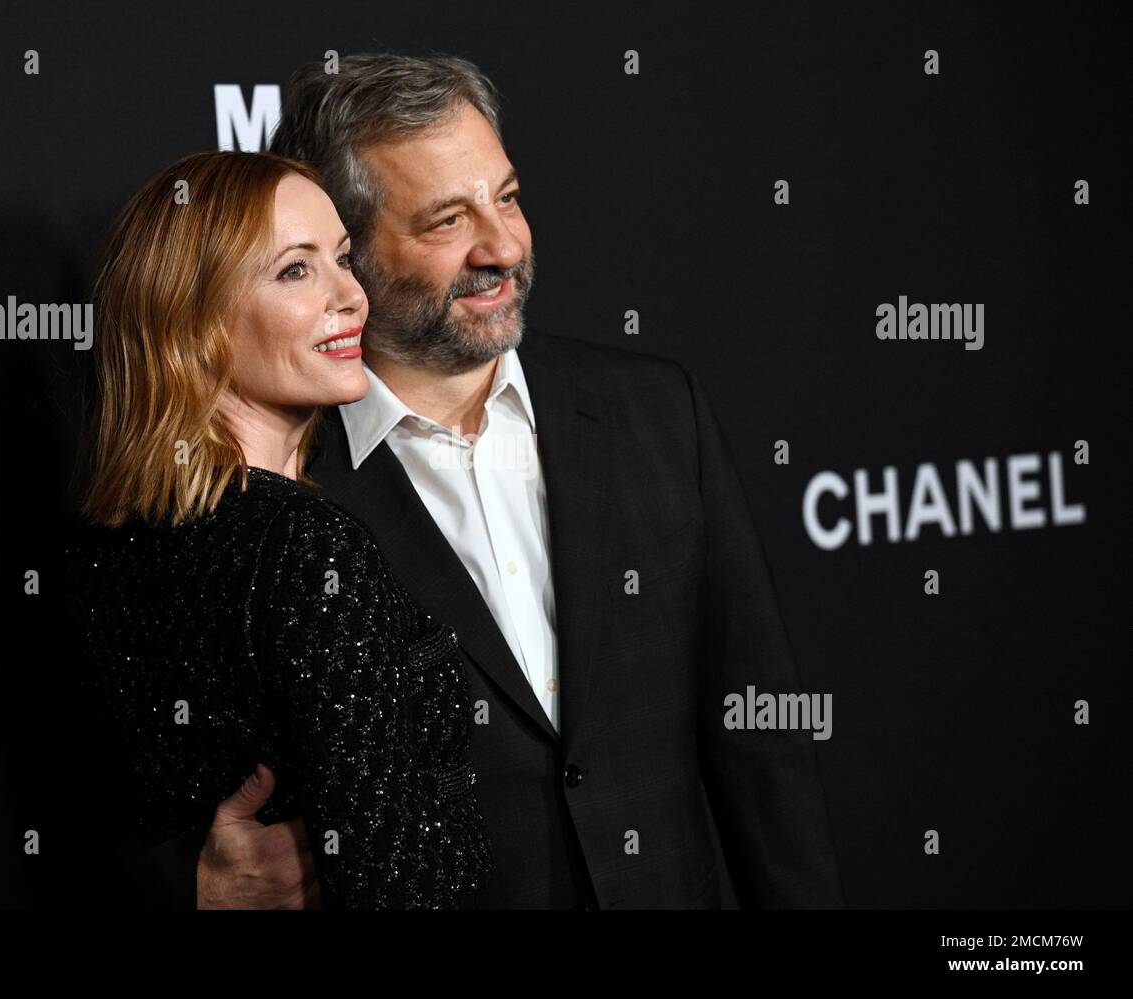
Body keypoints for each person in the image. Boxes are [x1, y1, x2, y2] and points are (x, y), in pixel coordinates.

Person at [147, 52, 846, 910]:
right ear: (350, 252)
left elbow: (758, 738)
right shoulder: (277, 497)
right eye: (447, 220)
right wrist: (192, 881)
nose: (504, 245)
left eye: (506, 196)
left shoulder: (654, 412)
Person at [62, 148, 493, 908]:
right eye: (295, 270)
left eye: (343, 259)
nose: (352, 296)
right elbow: (394, 885)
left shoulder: (106, 545)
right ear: (193, 324)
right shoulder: (304, 545)